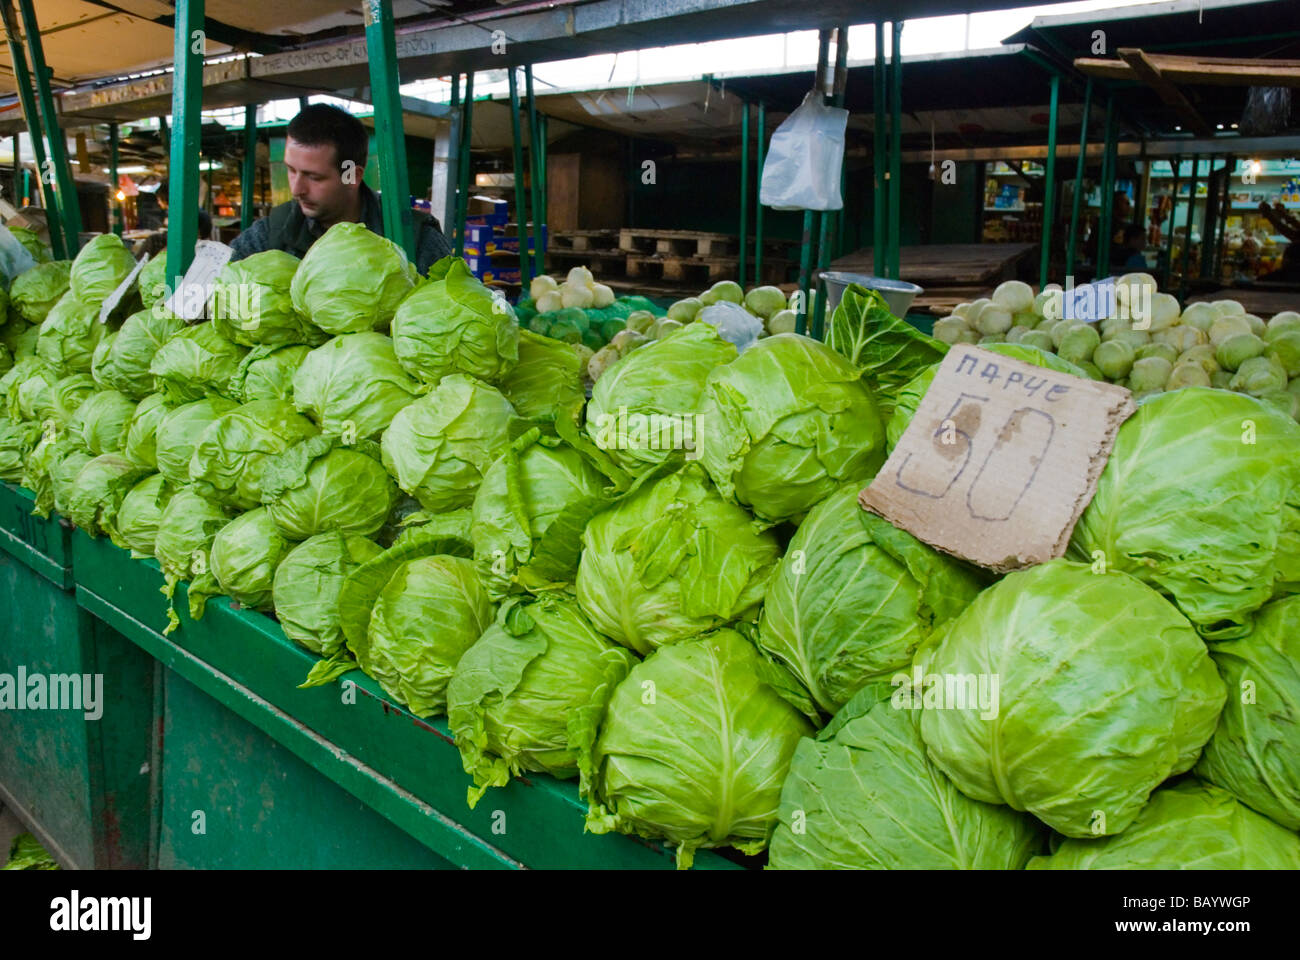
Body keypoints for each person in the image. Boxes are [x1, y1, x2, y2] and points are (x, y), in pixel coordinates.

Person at [229, 103, 452, 274]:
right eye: (291, 170)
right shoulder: (270, 235)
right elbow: (202, 298)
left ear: (351, 176)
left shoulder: (413, 239)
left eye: (314, 177)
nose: (297, 189)